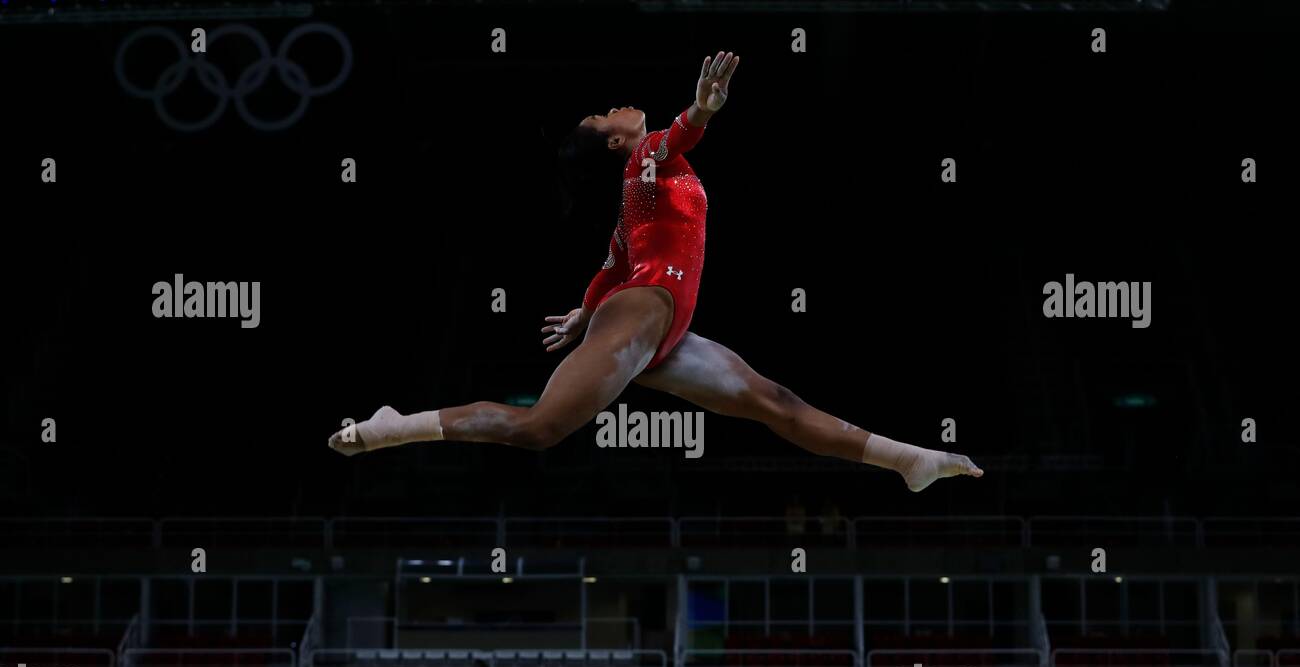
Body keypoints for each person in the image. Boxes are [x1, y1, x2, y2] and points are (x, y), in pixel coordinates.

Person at [329, 51, 981, 493]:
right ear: (617, 144)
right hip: (648, 312)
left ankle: (909, 460)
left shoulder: (637, 191)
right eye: (602, 117)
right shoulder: (648, 159)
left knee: (776, 404)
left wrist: (586, 308)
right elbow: (674, 142)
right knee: (539, 429)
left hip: (658, 325)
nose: (612, 106)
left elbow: (614, 258)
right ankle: (395, 426)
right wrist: (701, 110)